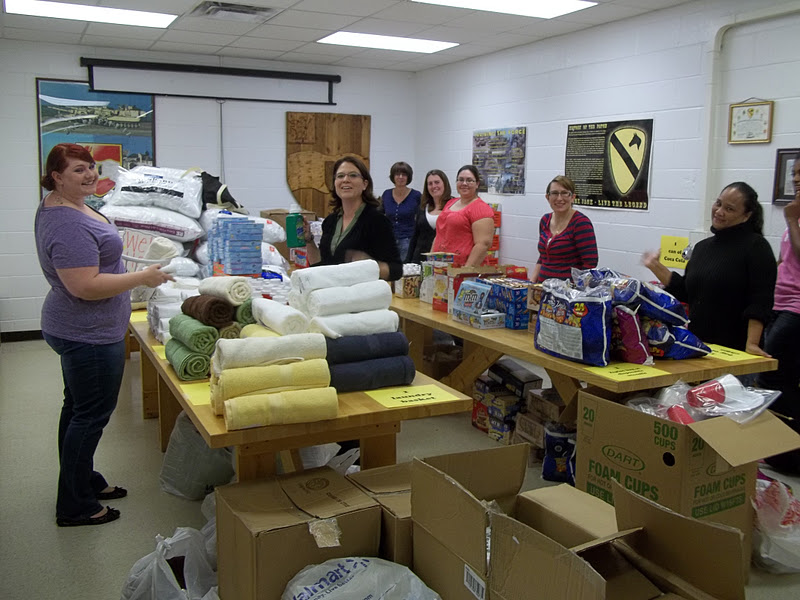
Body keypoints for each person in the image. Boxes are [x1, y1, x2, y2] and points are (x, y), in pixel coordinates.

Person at [35, 143, 174, 527]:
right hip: (88, 333)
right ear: (56, 177)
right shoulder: (68, 223)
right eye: (78, 170)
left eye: (91, 167)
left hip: (78, 327)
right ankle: (75, 505)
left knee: (78, 409)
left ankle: (83, 481)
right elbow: (85, 286)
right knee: (90, 415)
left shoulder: (65, 205)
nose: (90, 174)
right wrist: (144, 278)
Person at [642, 181, 776, 353]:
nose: (719, 212)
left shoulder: (756, 247)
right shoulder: (702, 247)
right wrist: (655, 266)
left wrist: (752, 344)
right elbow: (687, 291)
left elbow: (760, 302)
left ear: (747, 215)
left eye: (729, 209)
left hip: (736, 349)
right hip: (700, 347)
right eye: (718, 204)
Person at [306, 155, 402, 281]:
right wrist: (308, 240)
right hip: (332, 296)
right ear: (335, 183)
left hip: (361, 297)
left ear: (364, 184)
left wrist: (368, 264)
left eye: (353, 175)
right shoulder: (330, 221)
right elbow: (321, 265)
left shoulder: (377, 221)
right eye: (340, 176)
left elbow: (396, 270)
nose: (345, 180)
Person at [758, 155, 800, 422]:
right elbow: (786, 260)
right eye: (795, 173)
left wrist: (791, 221)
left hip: (796, 309)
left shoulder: (793, 216)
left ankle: (787, 446)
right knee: (774, 375)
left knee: (772, 375)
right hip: (778, 303)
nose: (796, 179)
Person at [531, 175, 598, 283]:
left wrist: (575, 292)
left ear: (573, 197)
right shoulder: (545, 220)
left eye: (564, 193)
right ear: (547, 197)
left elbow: (590, 264)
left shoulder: (581, 223)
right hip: (543, 288)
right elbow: (543, 257)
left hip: (567, 294)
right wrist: (531, 283)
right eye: (554, 193)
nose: (559, 198)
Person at [431, 165, 495, 267]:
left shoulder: (481, 208)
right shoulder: (450, 203)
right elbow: (439, 235)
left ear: (477, 184)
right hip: (441, 267)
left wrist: (465, 272)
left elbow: (483, 245)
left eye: (469, 180)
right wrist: (431, 262)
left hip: (463, 269)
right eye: (461, 180)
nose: (464, 183)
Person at [406, 169, 453, 263]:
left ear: (445, 184)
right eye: (430, 183)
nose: (434, 186)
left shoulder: (454, 205)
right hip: (420, 258)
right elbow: (415, 236)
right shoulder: (422, 207)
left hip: (444, 259)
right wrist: (407, 261)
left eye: (437, 182)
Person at [380, 161, 421, 262]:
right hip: (389, 241)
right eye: (397, 174)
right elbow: (379, 215)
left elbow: (421, 218)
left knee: (404, 270)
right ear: (393, 177)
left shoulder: (416, 195)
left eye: (404, 174)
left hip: (408, 240)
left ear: (408, 177)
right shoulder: (386, 194)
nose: (401, 177)